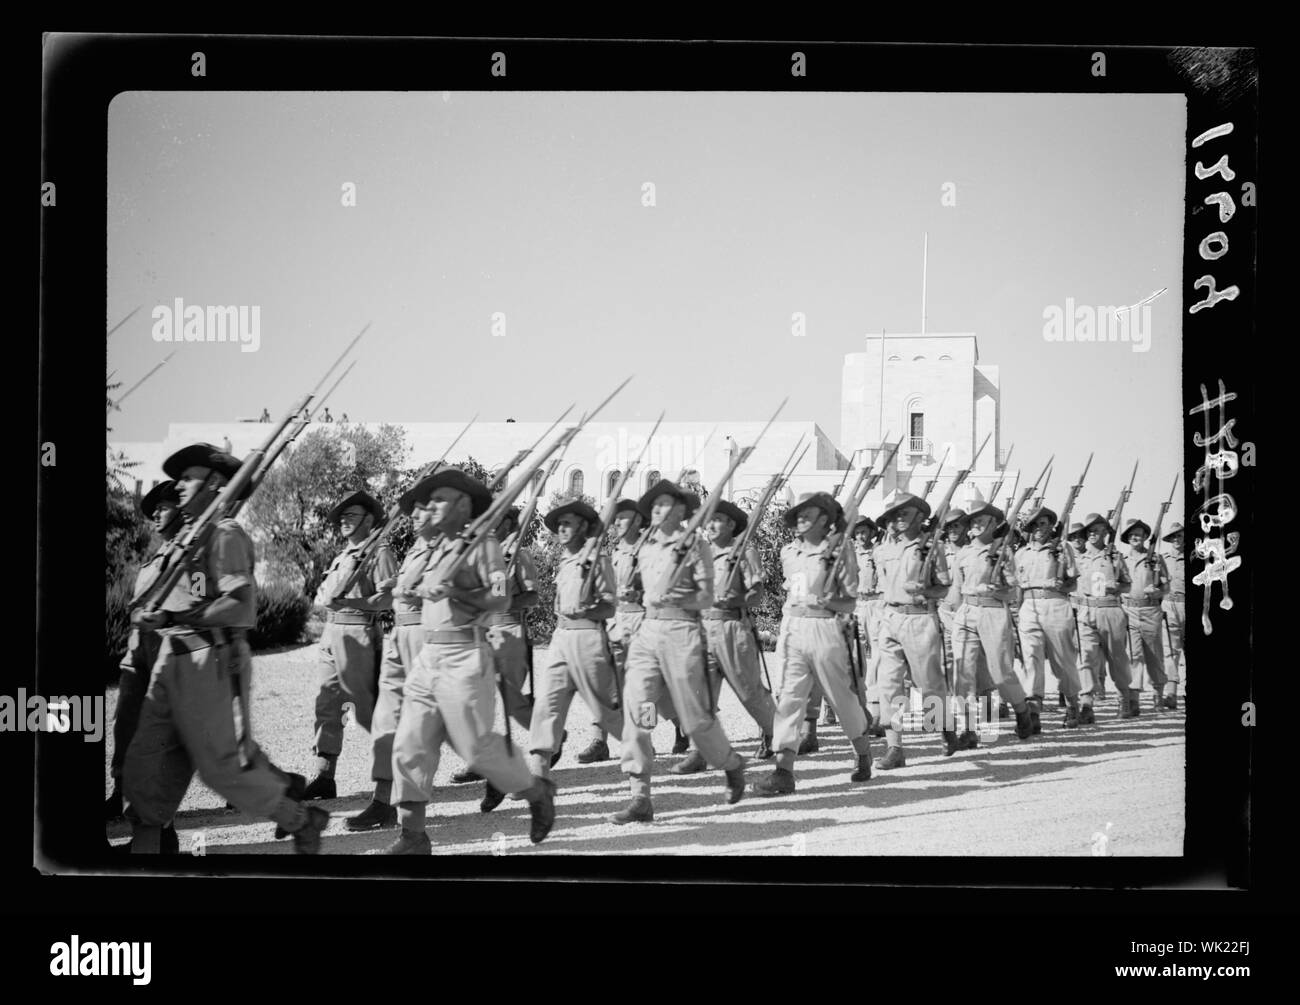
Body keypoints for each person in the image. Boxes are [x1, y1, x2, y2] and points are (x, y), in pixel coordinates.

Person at [123, 444, 327, 853]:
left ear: (215, 482)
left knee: (222, 768)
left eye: (187, 478)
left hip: (210, 659)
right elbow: (193, 596)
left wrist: (172, 617)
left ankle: (301, 819)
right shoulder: (190, 537)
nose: (178, 486)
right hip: (171, 660)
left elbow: (240, 604)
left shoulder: (226, 533)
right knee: (145, 772)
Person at [386, 469, 556, 852]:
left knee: (475, 747)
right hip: (429, 655)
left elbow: (499, 600)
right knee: (410, 743)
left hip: (465, 654)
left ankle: (536, 790)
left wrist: (458, 590)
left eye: (439, 500)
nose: (430, 507)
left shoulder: (484, 546)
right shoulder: (436, 547)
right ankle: (412, 836)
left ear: (464, 505)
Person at [610, 479, 747, 822]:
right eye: (652, 506)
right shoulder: (646, 548)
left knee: (693, 717)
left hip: (683, 632)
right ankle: (640, 796)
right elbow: (640, 589)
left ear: (683, 511)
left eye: (664, 505)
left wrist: (677, 598)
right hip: (647, 633)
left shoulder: (695, 547)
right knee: (639, 709)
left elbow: (705, 598)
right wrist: (631, 596)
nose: (655, 510)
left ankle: (730, 763)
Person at [752, 492, 873, 796]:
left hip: (825, 627)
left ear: (824, 518)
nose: (801, 517)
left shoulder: (838, 551)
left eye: (809, 513)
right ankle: (783, 771)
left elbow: (849, 601)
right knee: (790, 698)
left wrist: (829, 600)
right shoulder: (788, 552)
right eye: (799, 513)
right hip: (792, 627)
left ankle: (862, 751)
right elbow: (790, 590)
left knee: (840, 697)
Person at [344, 480, 438, 831]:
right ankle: (383, 803)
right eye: (411, 509)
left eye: (420, 508)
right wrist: (395, 586)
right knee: (387, 722)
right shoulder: (417, 546)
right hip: (400, 635)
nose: (412, 515)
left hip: (428, 637)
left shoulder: (454, 547)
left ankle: (507, 775)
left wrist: (410, 589)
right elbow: (401, 589)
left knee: (428, 729)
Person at [526, 498, 624, 790]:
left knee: (607, 711)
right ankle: (538, 776)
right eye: (559, 524)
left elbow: (609, 608)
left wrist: (587, 610)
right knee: (547, 705)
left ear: (583, 527)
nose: (562, 528)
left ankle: (639, 754)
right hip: (560, 638)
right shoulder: (566, 562)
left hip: (589, 639)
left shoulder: (598, 560)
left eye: (568, 523)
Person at [304, 490, 396, 800]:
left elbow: (388, 598)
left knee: (367, 713)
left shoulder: (379, 551)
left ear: (369, 520)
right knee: (328, 707)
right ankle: (324, 776)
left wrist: (351, 602)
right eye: (342, 517)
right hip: (331, 634)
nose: (344, 521)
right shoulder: (343, 555)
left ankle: (393, 776)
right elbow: (325, 597)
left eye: (351, 516)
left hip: (359, 634)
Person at [107, 481, 183, 842]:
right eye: (152, 511)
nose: (155, 515)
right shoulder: (155, 558)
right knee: (125, 727)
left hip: (163, 659)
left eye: (163, 508)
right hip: (136, 657)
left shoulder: (188, 554)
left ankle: (161, 830)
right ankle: (119, 792)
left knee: (158, 742)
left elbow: (192, 607)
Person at [674, 499, 775, 772]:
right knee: (699, 692)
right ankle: (701, 750)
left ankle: (776, 732)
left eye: (717, 519)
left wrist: (734, 598)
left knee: (749, 692)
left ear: (731, 524)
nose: (711, 525)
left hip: (732, 628)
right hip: (703, 629)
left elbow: (757, 593)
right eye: (709, 520)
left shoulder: (743, 552)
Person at [870, 492, 960, 768]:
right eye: (893, 514)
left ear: (920, 517)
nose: (897, 519)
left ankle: (944, 726)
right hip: (891, 618)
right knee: (889, 684)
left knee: (928, 683)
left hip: (920, 619)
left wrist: (926, 590)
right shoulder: (884, 549)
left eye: (904, 513)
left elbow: (944, 587)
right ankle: (894, 747)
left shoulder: (932, 548)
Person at [452, 506, 540, 785]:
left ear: (508, 524)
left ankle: (549, 736)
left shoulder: (518, 554)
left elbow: (532, 597)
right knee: (478, 697)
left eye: (496, 519)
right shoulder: (481, 554)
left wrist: (502, 602)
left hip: (510, 627)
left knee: (512, 701)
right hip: (483, 630)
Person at [602, 498, 684, 763]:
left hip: (641, 619)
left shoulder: (648, 551)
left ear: (637, 521)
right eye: (614, 519)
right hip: (617, 620)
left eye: (621, 518)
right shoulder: (614, 552)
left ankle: (655, 733)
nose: (615, 523)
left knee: (648, 690)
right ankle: (600, 739)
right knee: (615, 686)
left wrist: (640, 591)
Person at [951, 498, 1036, 744]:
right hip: (966, 613)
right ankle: (968, 729)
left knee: (1000, 671)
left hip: (993, 612)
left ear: (992, 523)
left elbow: (1012, 591)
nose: (976, 525)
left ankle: (1021, 710)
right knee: (963, 672)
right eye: (973, 521)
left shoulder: (1003, 552)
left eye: (980, 520)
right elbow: (956, 589)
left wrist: (996, 589)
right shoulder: (964, 553)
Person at [1014, 506, 1084, 728]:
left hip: (1056, 603)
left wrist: (1062, 584)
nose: (1038, 528)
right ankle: (1033, 710)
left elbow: (1073, 582)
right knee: (1031, 658)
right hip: (1028, 606)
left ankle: (1073, 703)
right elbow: (1017, 587)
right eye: (1033, 524)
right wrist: (1017, 612)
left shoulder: (1062, 549)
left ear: (1050, 525)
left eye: (1042, 523)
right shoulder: (1021, 553)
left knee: (1062, 659)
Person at [1075, 513, 1137, 720]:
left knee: (1117, 658)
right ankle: (1086, 703)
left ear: (1106, 533)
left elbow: (1128, 585)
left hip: (1110, 609)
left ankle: (1124, 699)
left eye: (1098, 530)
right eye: (1090, 531)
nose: (1093, 534)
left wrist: (1115, 586)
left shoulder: (1114, 557)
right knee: (1086, 658)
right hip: (1086, 611)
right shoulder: (1080, 559)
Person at [1119, 517, 1170, 714]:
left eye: (1138, 535)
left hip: (1150, 610)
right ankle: (1134, 700)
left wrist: (1157, 593)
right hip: (1129, 610)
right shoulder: (1121, 560)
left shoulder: (1156, 559)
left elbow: (1166, 586)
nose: (1135, 538)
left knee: (1154, 654)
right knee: (1134, 655)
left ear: (1145, 537)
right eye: (1131, 535)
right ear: (1127, 538)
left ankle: (1158, 695)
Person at [852, 515, 887, 738]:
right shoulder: (849, 553)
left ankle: (877, 711)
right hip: (856, 604)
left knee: (877, 657)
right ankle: (856, 706)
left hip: (875, 604)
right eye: (857, 532)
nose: (861, 536)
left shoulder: (878, 553)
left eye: (864, 531)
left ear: (871, 533)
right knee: (854, 657)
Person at [1160, 522, 1185, 709]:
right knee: (1171, 651)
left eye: (1180, 535)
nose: (1177, 539)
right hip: (1169, 605)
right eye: (1173, 537)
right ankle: (1171, 693)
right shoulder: (1163, 559)